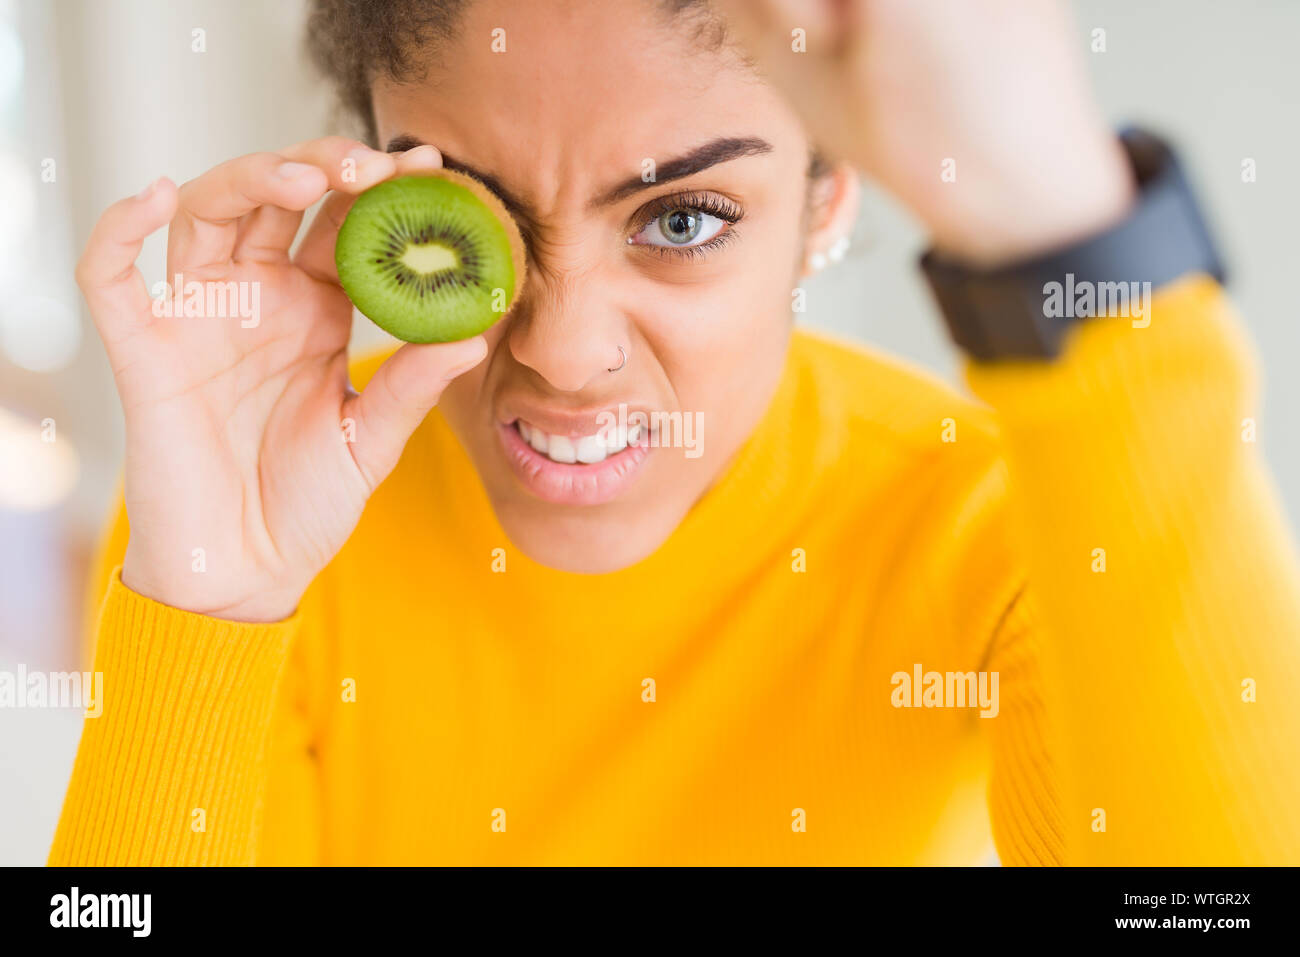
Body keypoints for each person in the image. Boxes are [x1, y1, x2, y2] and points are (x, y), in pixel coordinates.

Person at [50, 0, 1300, 865]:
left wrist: (1059, 239)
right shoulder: (272, 502)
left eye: (685, 219)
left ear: (825, 208)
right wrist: (206, 611)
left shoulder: (990, 526)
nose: (561, 348)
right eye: (469, 216)